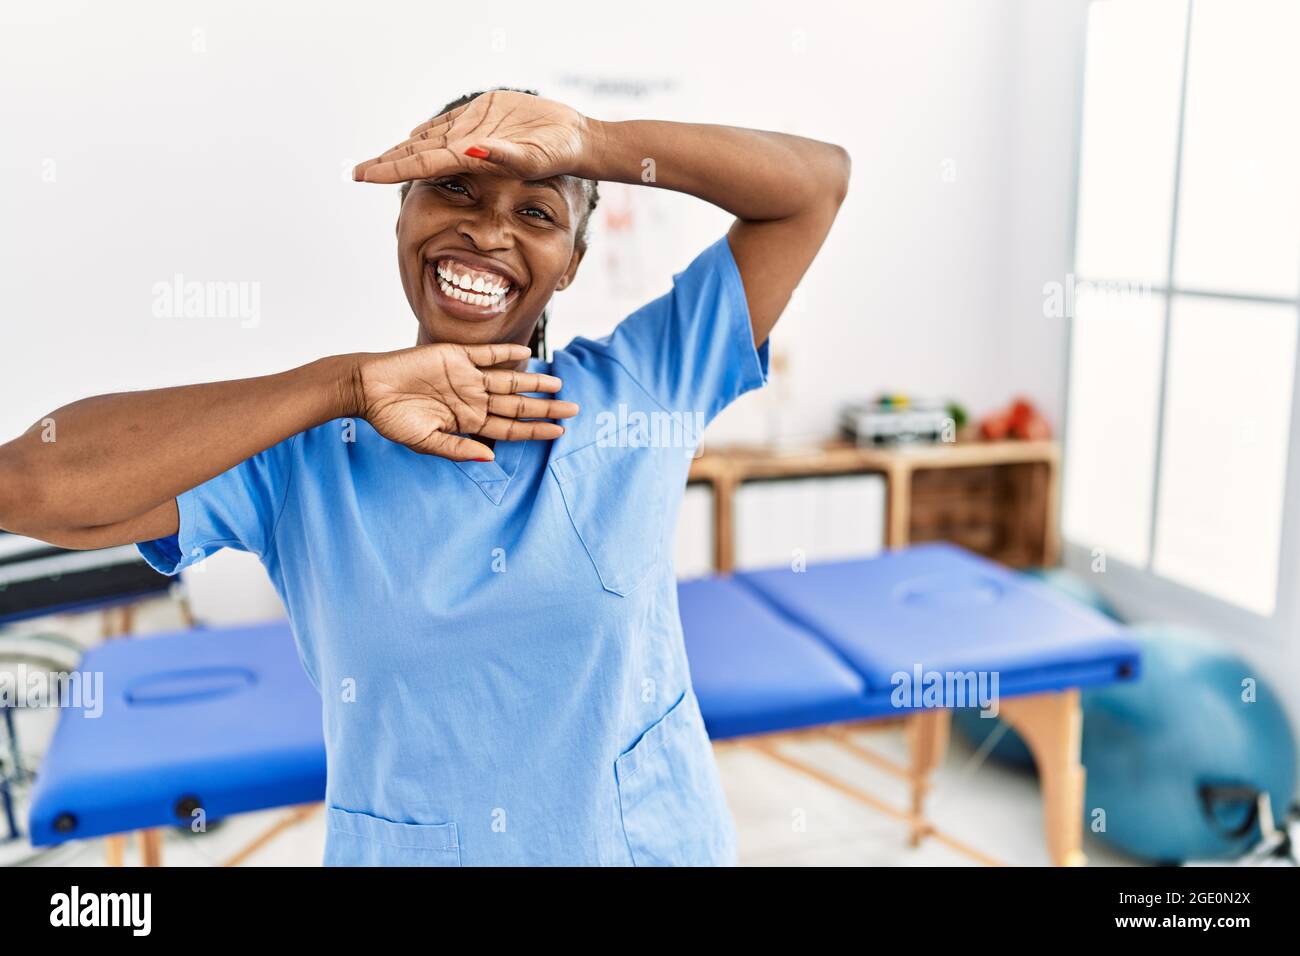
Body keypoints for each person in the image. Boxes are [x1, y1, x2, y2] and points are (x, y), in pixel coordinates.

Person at [0, 87, 850, 865]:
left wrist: (594, 141)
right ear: (402, 210)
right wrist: (344, 384)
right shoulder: (300, 453)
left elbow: (815, 185)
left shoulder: (641, 386)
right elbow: (24, 485)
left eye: (538, 210)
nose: (488, 230)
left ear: (573, 263)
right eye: (455, 188)